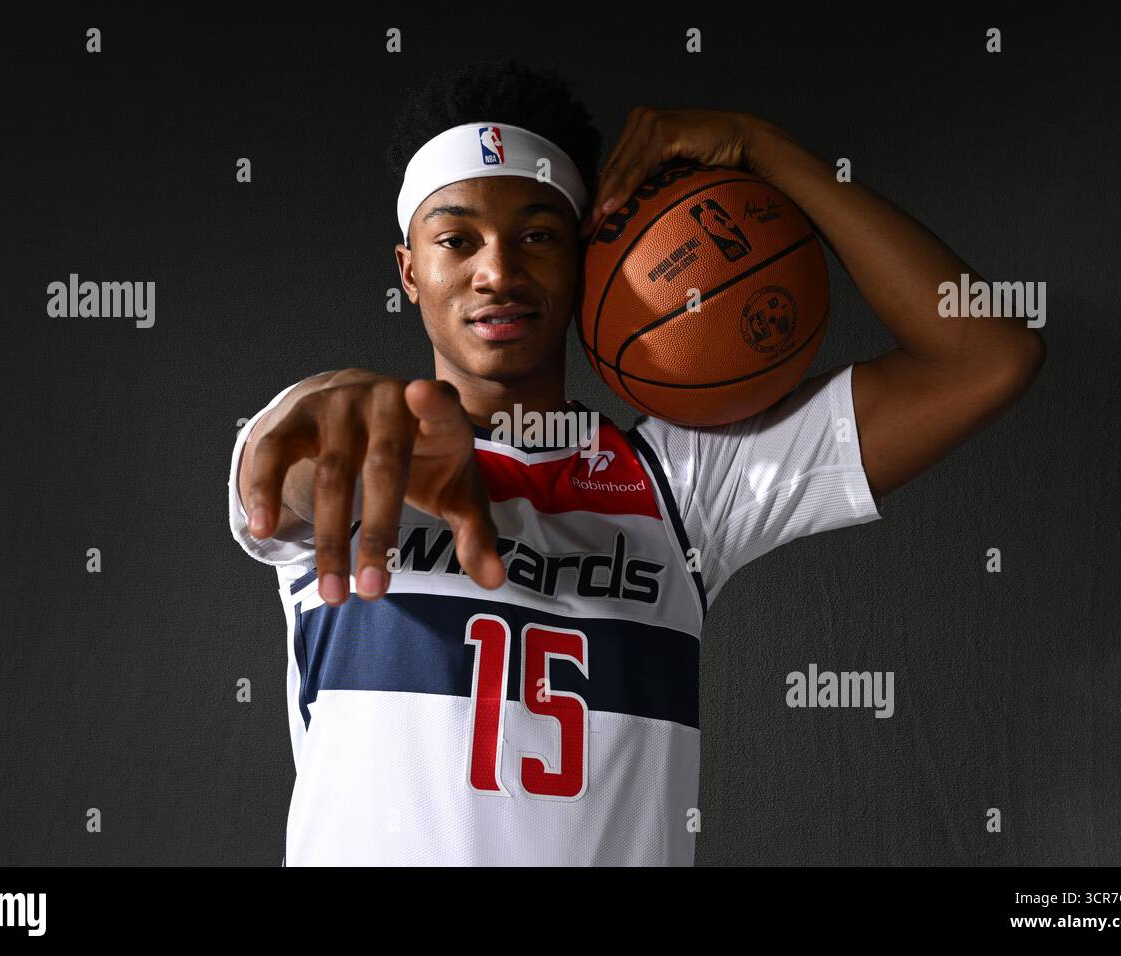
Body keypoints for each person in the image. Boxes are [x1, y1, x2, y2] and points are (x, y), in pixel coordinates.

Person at [227, 56, 1044, 865]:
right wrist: (349, 421)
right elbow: (287, 473)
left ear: (586, 261)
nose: (499, 272)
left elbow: (984, 356)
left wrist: (763, 149)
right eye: (456, 239)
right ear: (410, 270)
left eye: (539, 236)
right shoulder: (349, 438)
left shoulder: (680, 486)